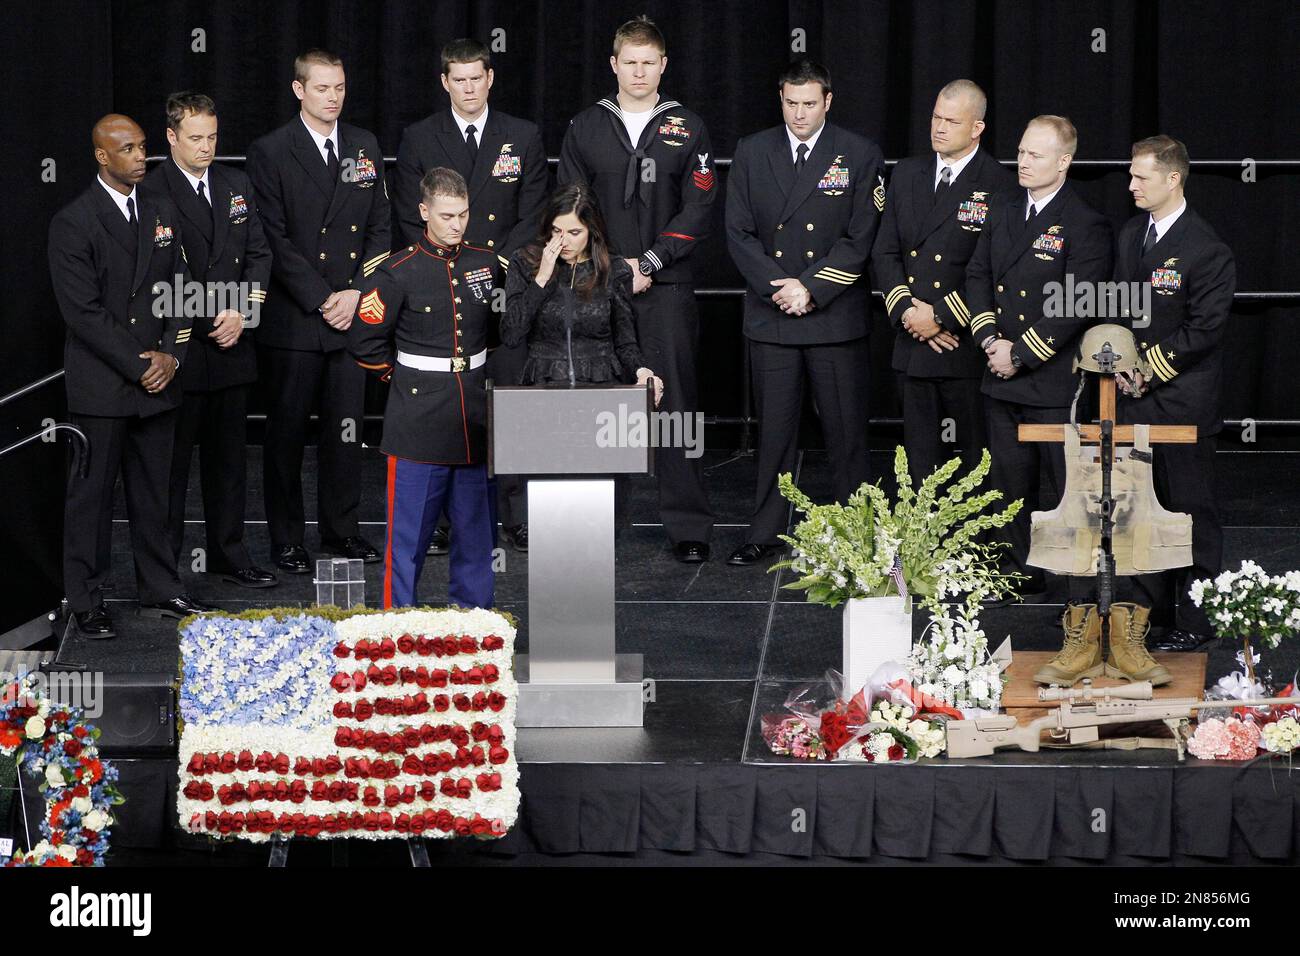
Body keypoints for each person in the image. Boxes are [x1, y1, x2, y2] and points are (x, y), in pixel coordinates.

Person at [48, 114, 217, 638]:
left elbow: (182, 287)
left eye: (143, 146)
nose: (141, 156)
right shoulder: (74, 222)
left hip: (159, 379)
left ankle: (162, 587)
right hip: (104, 385)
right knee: (91, 500)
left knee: (156, 493)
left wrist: (171, 355)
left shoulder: (162, 208)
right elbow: (84, 313)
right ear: (102, 157)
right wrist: (143, 364)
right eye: (127, 149)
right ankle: (86, 599)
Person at [558, 15, 715, 563]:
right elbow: (571, 206)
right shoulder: (585, 126)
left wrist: (651, 259)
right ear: (614, 64)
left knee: (675, 405)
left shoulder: (688, 126)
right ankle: (601, 523)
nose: (640, 72)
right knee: (606, 403)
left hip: (667, 284)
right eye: (630, 62)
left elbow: (700, 206)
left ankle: (689, 526)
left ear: (663, 65)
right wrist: (611, 265)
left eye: (649, 63)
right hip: (600, 285)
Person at [724, 60, 885, 566]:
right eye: (791, 103)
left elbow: (861, 238)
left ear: (828, 101)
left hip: (833, 316)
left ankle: (860, 533)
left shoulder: (859, 153)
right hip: (773, 313)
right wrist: (782, 289)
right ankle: (765, 530)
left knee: (846, 434)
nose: (799, 113)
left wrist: (811, 289)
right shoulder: (753, 150)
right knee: (774, 433)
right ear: (781, 99)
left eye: (809, 104)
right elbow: (738, 232)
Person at [393, 37, 548, 554]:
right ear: (445, 82)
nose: (468, 88)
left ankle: (515, 514)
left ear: (490, 78)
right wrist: (452, 268)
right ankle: (440, 519)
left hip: (504, 287)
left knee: (509, 403)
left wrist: (494, 266)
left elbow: (534, 213)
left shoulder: (522, 136)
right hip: (441, 289)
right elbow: (408, 215)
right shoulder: (419, 137)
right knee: (444, 410)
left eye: (476, 78)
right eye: (458, 79)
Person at [246, 49, 390, 576]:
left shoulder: (364, 145)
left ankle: (342, 529)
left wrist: (356, 293)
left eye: (340, 88)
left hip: (352, 315)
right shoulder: (270, 150)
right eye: (323, 88)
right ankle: (286, 539)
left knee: (345, 432)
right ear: (299, 90)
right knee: (285, 435)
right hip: (296, 318)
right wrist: (323, 297)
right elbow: (271, 237)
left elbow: (380, 227)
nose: (333, 97)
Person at [965, 115, 1113, 597]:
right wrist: (990, 341)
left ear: (1063, 161)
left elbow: (1079, 302)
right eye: (1021, 152)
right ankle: (1018, 572)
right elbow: (978, 275)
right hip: (999, 368)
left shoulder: (1085, 222)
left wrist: (1021, 354)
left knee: (1068, 488)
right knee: (1007, 485)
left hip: (1051, 379)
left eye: (1035, 155)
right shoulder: (1003, 209)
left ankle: (1079, 592)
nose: (1023, 162)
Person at [349, 168, 501, 610]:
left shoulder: (487, 264)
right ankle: (397, 626)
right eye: (447, 216)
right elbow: (364, 342)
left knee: (477, 536)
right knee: (408, 539)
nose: (457, 225)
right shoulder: (397, 271)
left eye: (464, 214)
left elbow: (497, 332)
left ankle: (477, 626)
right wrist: (406, 383)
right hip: (416, 422)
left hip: (474, 418)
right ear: (424, 212)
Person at [143, 92, 276, 591]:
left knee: (229, 464)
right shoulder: (151, 191)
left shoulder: (236, 183)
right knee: (171, 470)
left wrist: (243, 311)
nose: (206, 147)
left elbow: (259, 254)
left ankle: (229, 554)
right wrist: (208, 319)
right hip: (181, 348)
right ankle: (165, 572)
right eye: (196, 138)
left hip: (233, 343)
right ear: (171, 137)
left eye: (213, 137)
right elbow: (157, 271)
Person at [1114, 135, 1235, 651]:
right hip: (1131, 397)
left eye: (1141, 176)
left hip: (1182, 401)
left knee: (1189, 511)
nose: (1131, 185)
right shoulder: (1131, 234)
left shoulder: (1206, 248)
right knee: (1140, 509)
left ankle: (1198, 618)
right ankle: (1149, 612)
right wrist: (1119, 361)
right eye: (1131, 175)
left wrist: (1146, 369)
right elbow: (1117, 305)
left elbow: (1204, 329)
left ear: (1172, 178)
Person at [871, 79, 1014, 484]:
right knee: (918, 464)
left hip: (963, 344)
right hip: (912, 340)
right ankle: (922, 528)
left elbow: (995, 270)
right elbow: (885, 251)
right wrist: (909, 313)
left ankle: (976, 529)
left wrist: (940, 317)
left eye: (952, 121)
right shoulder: (907, 173)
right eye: (936, 117)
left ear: (977, 128)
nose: (939, 127)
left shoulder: (999, 184)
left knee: (975, 461)